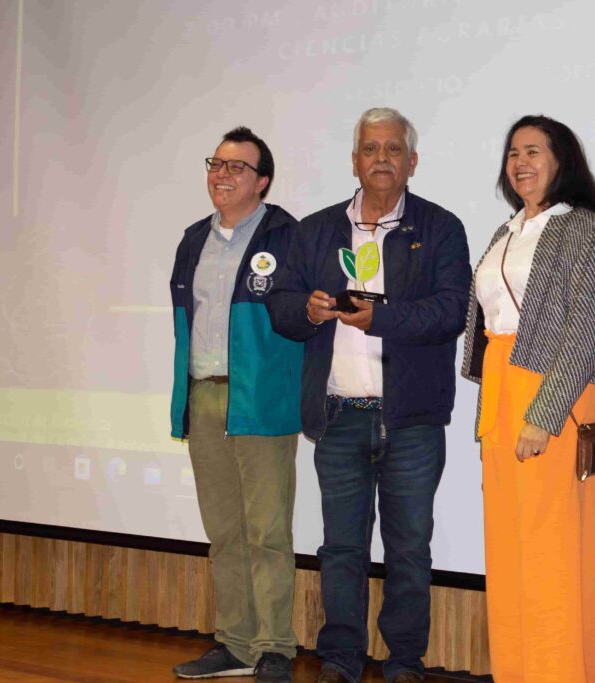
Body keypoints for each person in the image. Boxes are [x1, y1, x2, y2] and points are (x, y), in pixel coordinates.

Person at [265, 107, 470, 683]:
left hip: (411, 420)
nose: (382, 158)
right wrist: (307, 311)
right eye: (371, 149)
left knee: (409, 550)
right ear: (354, 161)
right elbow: (281, 304)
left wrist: (379, 319)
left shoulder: (440, 228)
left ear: (412, 161)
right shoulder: (316, 230)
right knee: (341, 549)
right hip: (338, 417)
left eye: (393, 149)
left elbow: (451, 312)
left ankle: (404, 661)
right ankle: (340, 659)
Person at [460, 115, 595, 683]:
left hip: (553, 394)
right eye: (512, 153)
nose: (520, 162)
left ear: (562, 160)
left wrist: (543, 416)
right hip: (501, 395)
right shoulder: (506, 231)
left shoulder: (586, 230)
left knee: (551, 551)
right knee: (508, 548)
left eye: (533, 151)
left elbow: (585, 331)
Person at [170, 127, 303, 683]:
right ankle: (236, 642)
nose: (222, 175)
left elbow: (300, 320)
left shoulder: (288, 237)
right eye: (216, 164)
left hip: (261, 398)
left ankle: (274, 646)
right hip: (204, 395)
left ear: (262, 180)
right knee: (224, 531)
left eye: (236, 167)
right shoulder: (192, 240)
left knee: (267, 531)